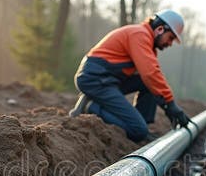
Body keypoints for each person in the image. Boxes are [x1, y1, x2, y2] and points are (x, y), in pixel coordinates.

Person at [68, 10, 191, 142]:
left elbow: (152, 79)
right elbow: (150, 73)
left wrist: (167, 107)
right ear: (160, 29)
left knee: (148, 84)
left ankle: (142, 124)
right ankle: (92, 107)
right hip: (95, 79)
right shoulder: (140, 35)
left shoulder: (145, 40)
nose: (170, 43)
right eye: (171, 38)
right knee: (138, 131)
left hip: (108, 79)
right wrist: (171, 103)